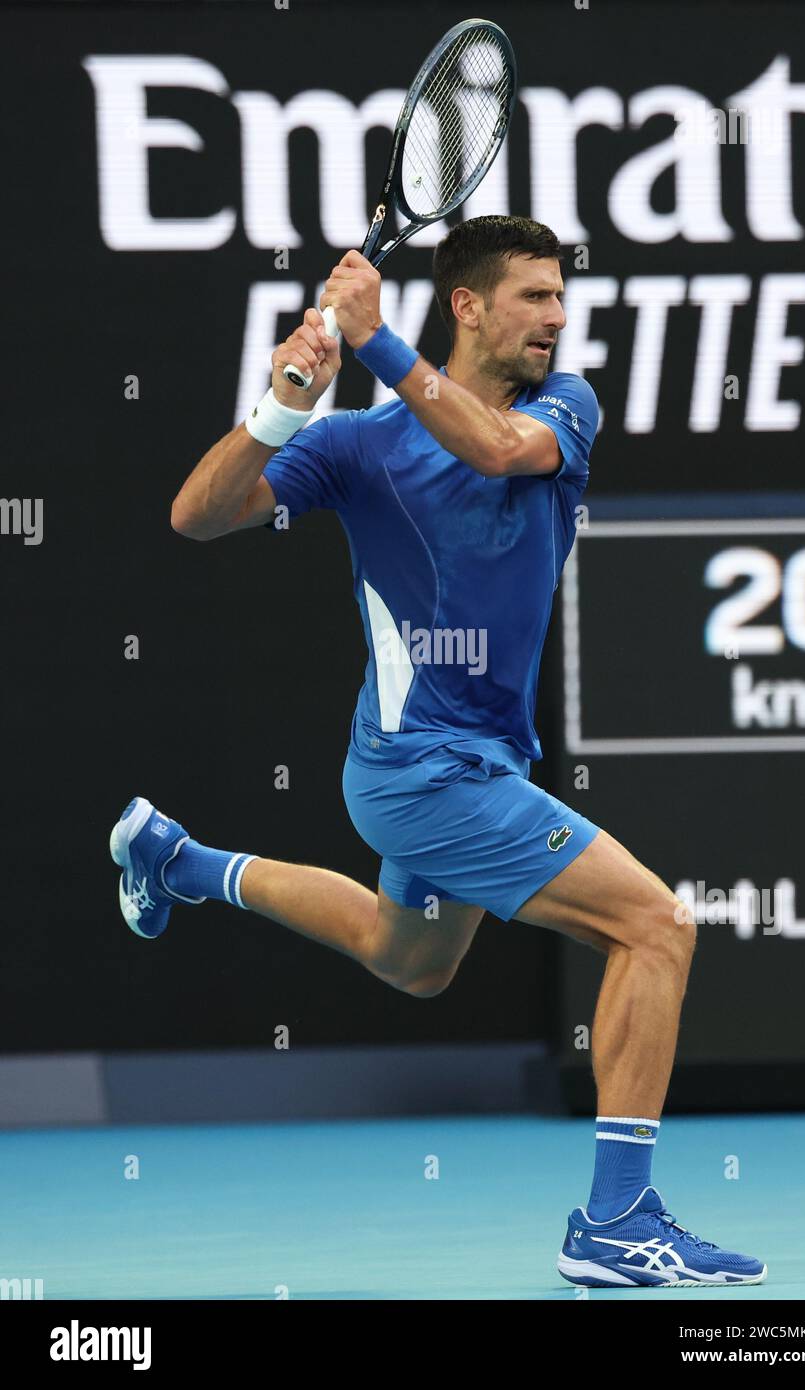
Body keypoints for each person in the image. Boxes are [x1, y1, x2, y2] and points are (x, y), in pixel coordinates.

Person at [110, 215, 766, 1289]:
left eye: (560, 296)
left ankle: (182, 863)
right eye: (533, 297)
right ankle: (612, 1221)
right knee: (652, 925)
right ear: (465, 304)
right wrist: (280, 407)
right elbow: (197, 514)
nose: (557, 316)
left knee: (405, 956)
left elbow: (497, 450)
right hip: (419, 775)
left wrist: (373, 343)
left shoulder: (564, 409)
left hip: (477, 767)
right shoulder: (355, 445)